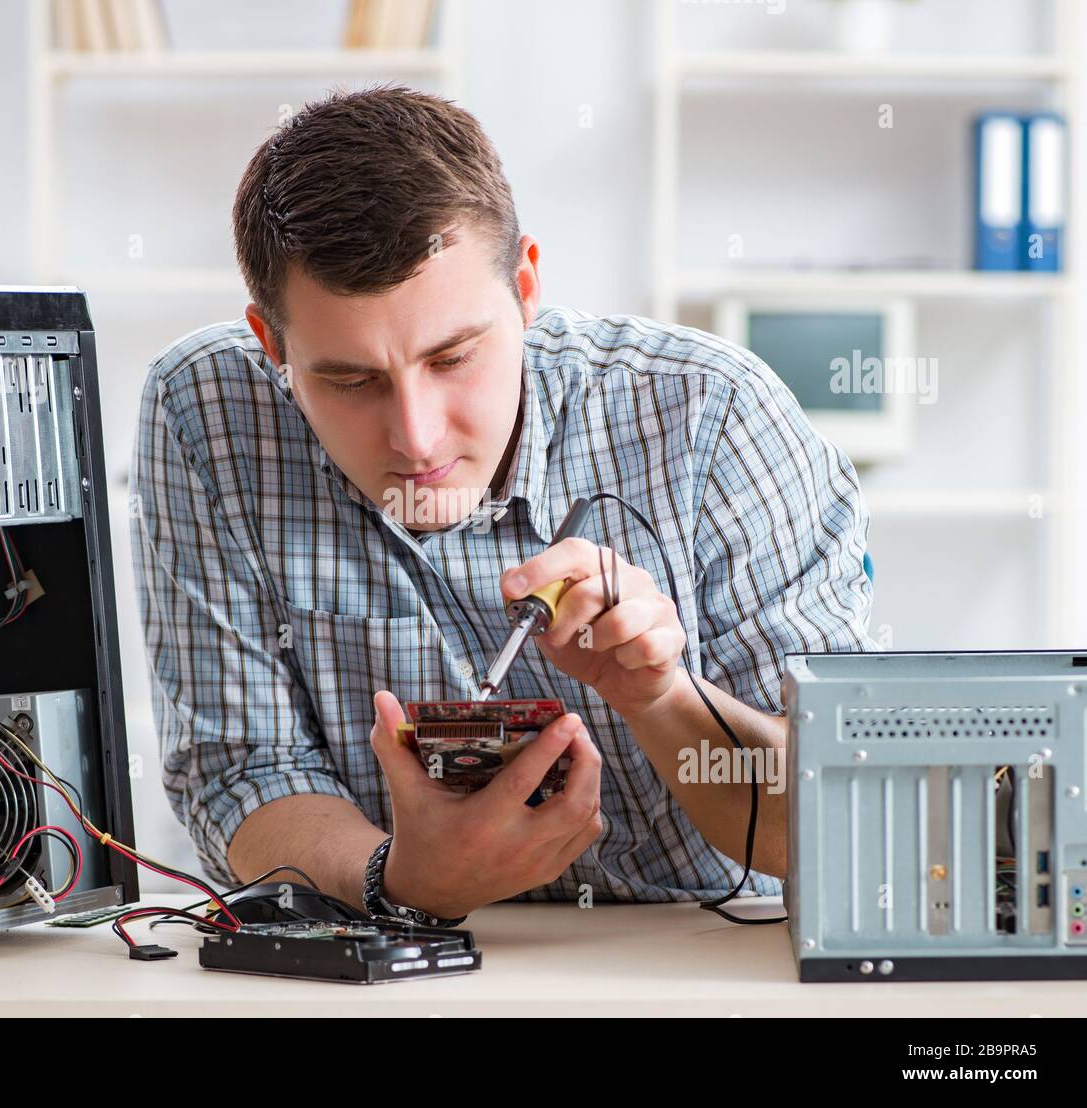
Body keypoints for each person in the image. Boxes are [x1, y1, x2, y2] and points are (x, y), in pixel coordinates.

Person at [129, 85, 874, 924]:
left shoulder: (713, 416)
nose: (415, 437)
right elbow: (241, 770)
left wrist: (661, 698)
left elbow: (840, 819)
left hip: (698, 958)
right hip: (390, 964)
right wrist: (397, 880)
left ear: (525, 286)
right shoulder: (209, 411)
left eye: (453, 358)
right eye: (350, 381)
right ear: (272, 344)